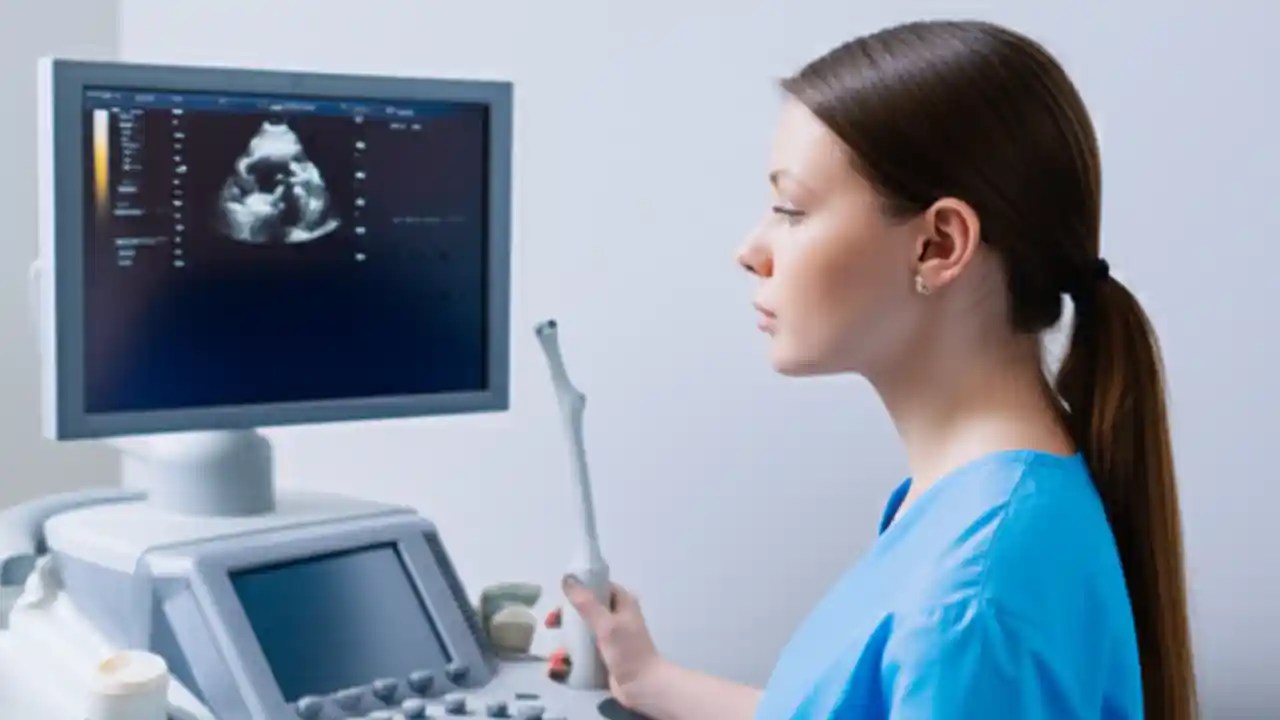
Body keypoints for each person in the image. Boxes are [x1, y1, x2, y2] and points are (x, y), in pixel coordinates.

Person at [553, 18, 1197, 720]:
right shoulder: (972, 507)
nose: (751, 250)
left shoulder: (976, 590)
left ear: (938, 245)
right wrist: (651, 681)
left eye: (791, 209)